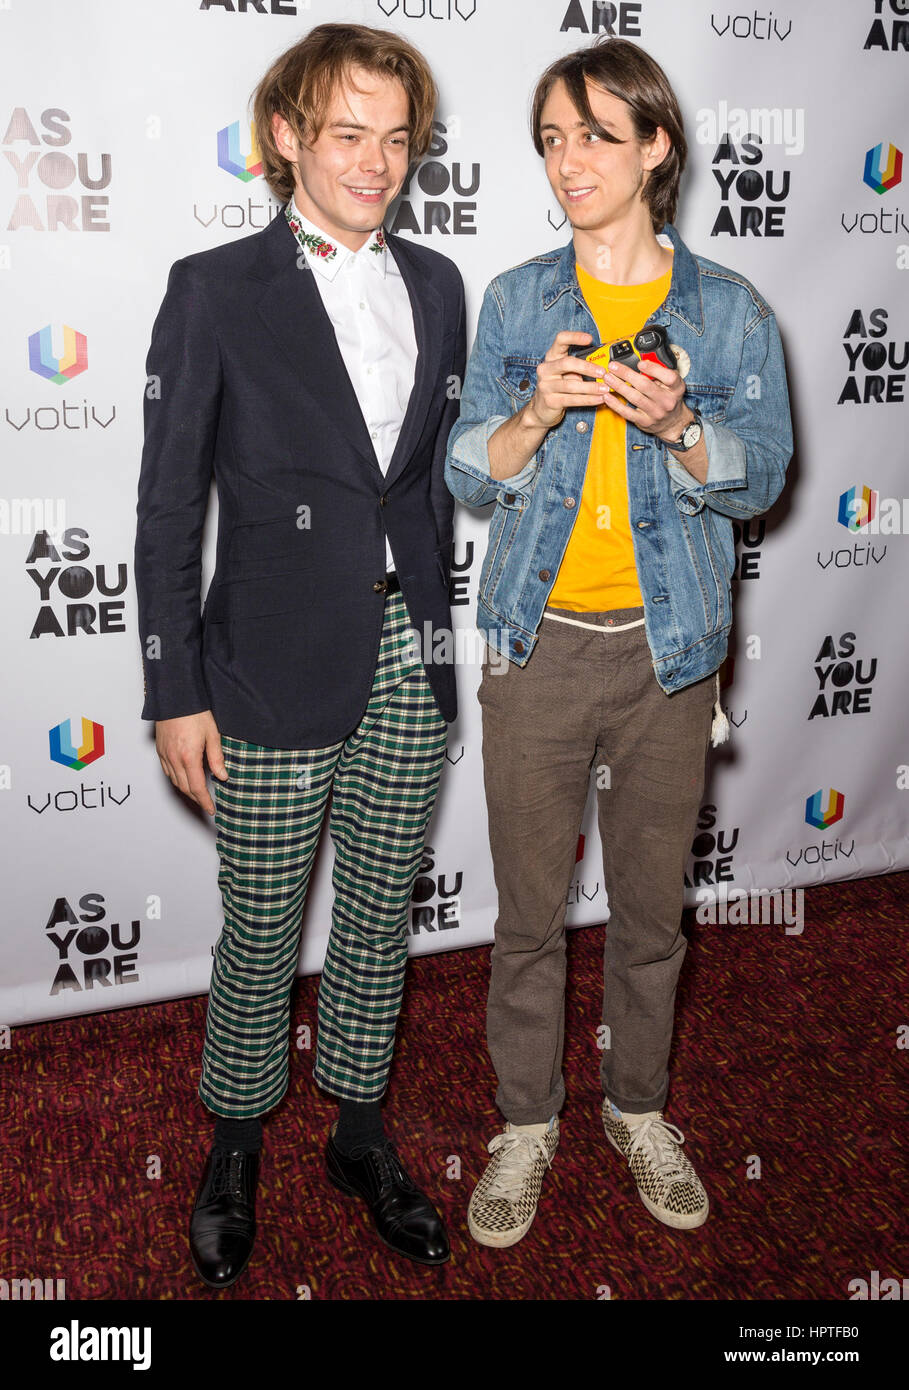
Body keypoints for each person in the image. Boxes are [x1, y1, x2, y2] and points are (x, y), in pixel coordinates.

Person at [444, 35, 792, 1247]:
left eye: (594, 133)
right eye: (550, 138)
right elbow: (463, 468)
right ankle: (527, 1122)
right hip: (535, 651)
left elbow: (765, 480)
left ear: (656, 147)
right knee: (529, 918)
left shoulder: (730, 314)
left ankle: (638, 1107)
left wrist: (688, 432)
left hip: (668, 658)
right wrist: (537, 409)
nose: (568, 161)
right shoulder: (518, 302)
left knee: (652, 917)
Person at [134, 22, 465, 1286]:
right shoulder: (214, 288)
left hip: (407, 651)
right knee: (262, 929)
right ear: (286, 137)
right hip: (265, 664)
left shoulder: (437, 283)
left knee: (381, 914)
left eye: (396, 139)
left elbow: (423, 491)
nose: (376, 163)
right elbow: (170, 511)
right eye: (347, 135)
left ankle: (362, 1134)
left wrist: (439, 644)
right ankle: (233, 1143)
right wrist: (174, 689)